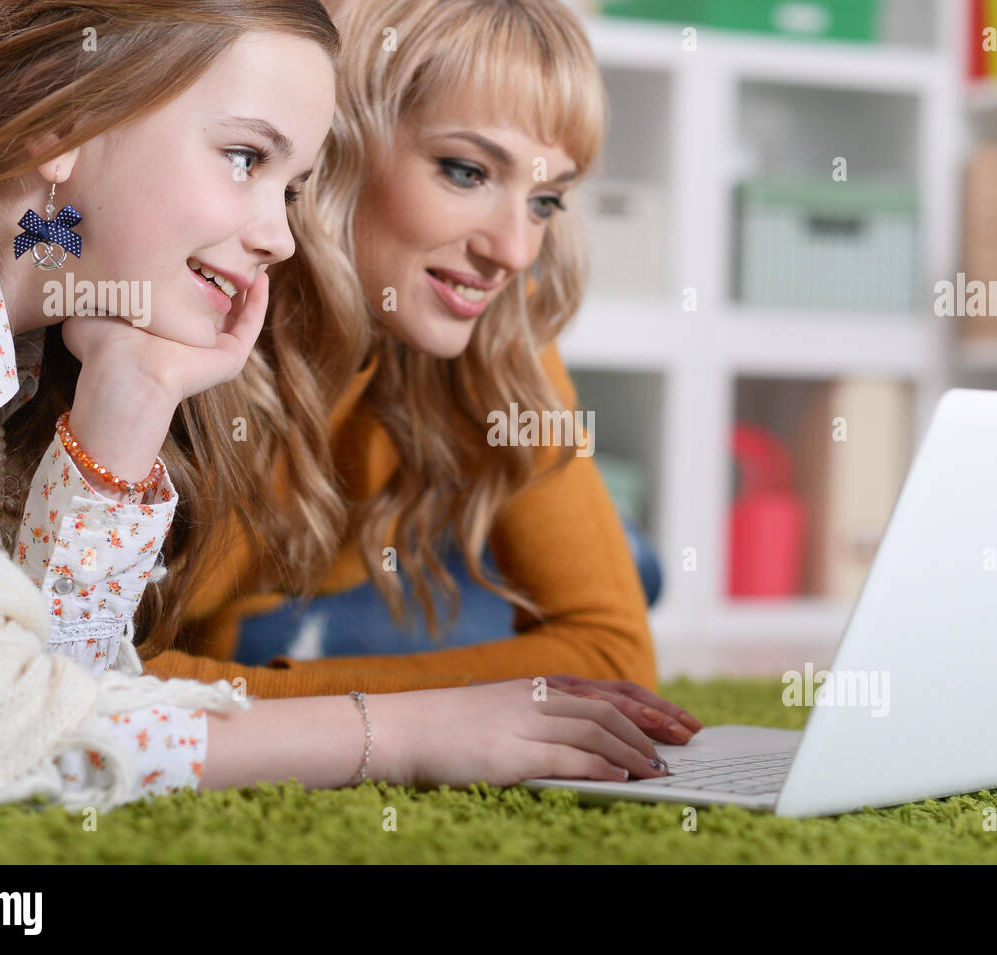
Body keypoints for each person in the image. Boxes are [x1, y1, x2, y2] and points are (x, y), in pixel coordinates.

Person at [0, 0, 677, 813]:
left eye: (293, 184)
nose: (282, 236)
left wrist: (132, 393)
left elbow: (54, 674)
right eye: (244, 157)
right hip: (327, 606)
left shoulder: (46, 315)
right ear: (63, 126)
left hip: (368, 580)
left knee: (626, 565)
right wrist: (398, 731)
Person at [140, 0, 702, 745]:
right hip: (322, 579)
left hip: (372, 558)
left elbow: (610, 650)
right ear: (336, 139)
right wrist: (366, 714)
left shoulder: (494, 316)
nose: (513, 251)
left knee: (634, 570)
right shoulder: (198, 294)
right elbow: (96, 677)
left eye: (544, 200)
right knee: (621, 568)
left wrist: (269, 693)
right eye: (466, 171)